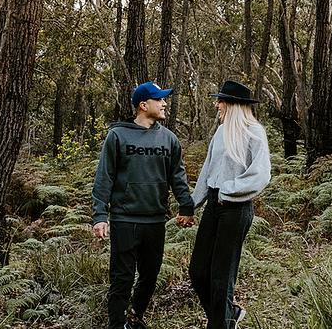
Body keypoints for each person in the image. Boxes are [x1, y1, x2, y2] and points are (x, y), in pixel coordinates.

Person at [92, 81, 196, 329]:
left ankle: (135, 317)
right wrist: (99, 216)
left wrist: (186, 206)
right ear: (143, 105)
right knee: (122, 278)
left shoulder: (169, 139)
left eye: (164, 99)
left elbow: (178, 177)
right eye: (159, 99)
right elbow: (104, 177)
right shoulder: (117, 136)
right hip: (124, 219)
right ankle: (116, 324)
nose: (164, 103)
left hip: (155, 220)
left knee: (150, 276)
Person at [189, 80, 272, 329]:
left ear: (233, 104)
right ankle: (229, 314)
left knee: (221, 277)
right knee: (198, 271)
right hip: (213, 206)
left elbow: (261, 174)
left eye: (221, 101)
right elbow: (207, 170)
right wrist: (191, 205)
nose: (217, 105)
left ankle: (221, 323)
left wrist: (228, 190)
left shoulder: (254, 132)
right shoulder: (220, 132)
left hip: (236, 209)